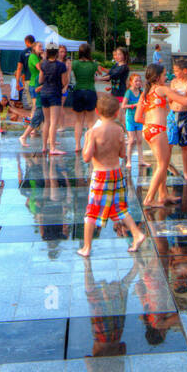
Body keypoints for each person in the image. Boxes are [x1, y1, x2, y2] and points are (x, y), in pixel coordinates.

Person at [77, 93, 146, 258]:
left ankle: (87, 247)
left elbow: (86, 157)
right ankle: (137, 234)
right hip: (117, 173)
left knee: (92, 212)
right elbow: (123, 154)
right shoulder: (119, 130)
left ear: (97, 112)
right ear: (116, 113)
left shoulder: (94, 132)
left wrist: (87, 141)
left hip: (101, 175)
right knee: (120, 208)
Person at [136, 64, 187, 206]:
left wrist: (150, 125)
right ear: (157, 77)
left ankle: (163, 194)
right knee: (162, 164)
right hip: (158, 130)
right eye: (164, 75)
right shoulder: (161, 89)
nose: (166, 77)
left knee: (162, 162)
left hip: (148, 130)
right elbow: (185, 101)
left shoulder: (145, 93)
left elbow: (137, 118)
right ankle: (149, 198)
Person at [69, 43, 100, 154]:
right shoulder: (94, 64)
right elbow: (99, 74)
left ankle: (77, 145)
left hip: (78, 91)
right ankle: (89, 144)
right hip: (90, 91)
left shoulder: (75, 63)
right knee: (91, 121)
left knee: (78, 121)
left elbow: (69, 76)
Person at [37, 46, 69, 155]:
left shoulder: (43, 64)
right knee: (54, 122)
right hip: (55, 93)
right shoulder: (61, 66)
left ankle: (44, 146)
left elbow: (40, 80)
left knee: (47, 121)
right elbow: (64, 82)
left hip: (44, 93)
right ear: (56, 54)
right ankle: (53, 148)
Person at [121, 72, 144, 163]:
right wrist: (134, 105)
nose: (138, 82)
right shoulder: (128, 92)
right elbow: (123, 106)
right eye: (136, 81)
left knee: (139, 140)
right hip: (130, 119)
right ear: (131, 82)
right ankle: (129, 160)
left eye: (139, 81)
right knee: (131, 140)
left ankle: (141, 160)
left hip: (139, 118)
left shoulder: (141, 92)